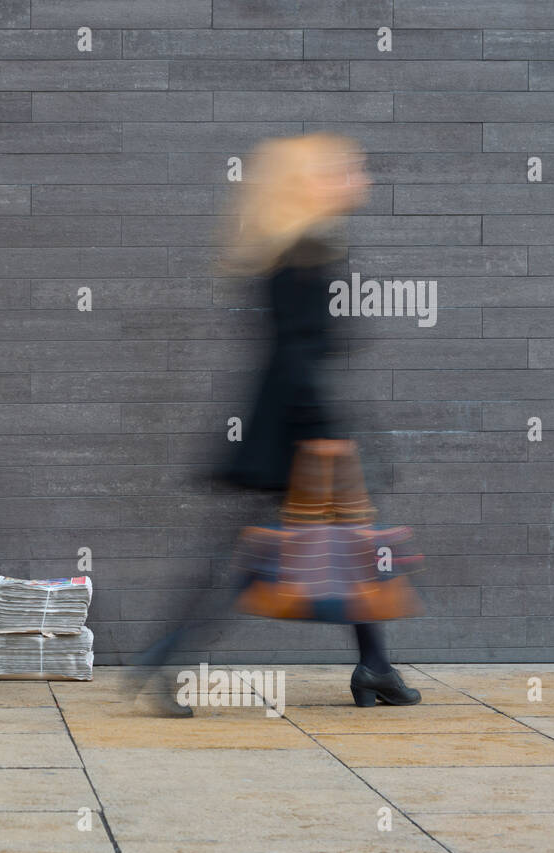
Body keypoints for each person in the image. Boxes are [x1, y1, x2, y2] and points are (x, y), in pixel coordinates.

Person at [131, 132, 421, 716]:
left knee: (348, 542)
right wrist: (325, 434)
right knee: (257, 555)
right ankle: (166, 655)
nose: (357, 176)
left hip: (290, 421)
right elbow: (294, 352)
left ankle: (376, 668)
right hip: (298, 429)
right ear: (309, 183)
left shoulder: (296, 245)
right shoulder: (308, 246)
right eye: (344, 169)